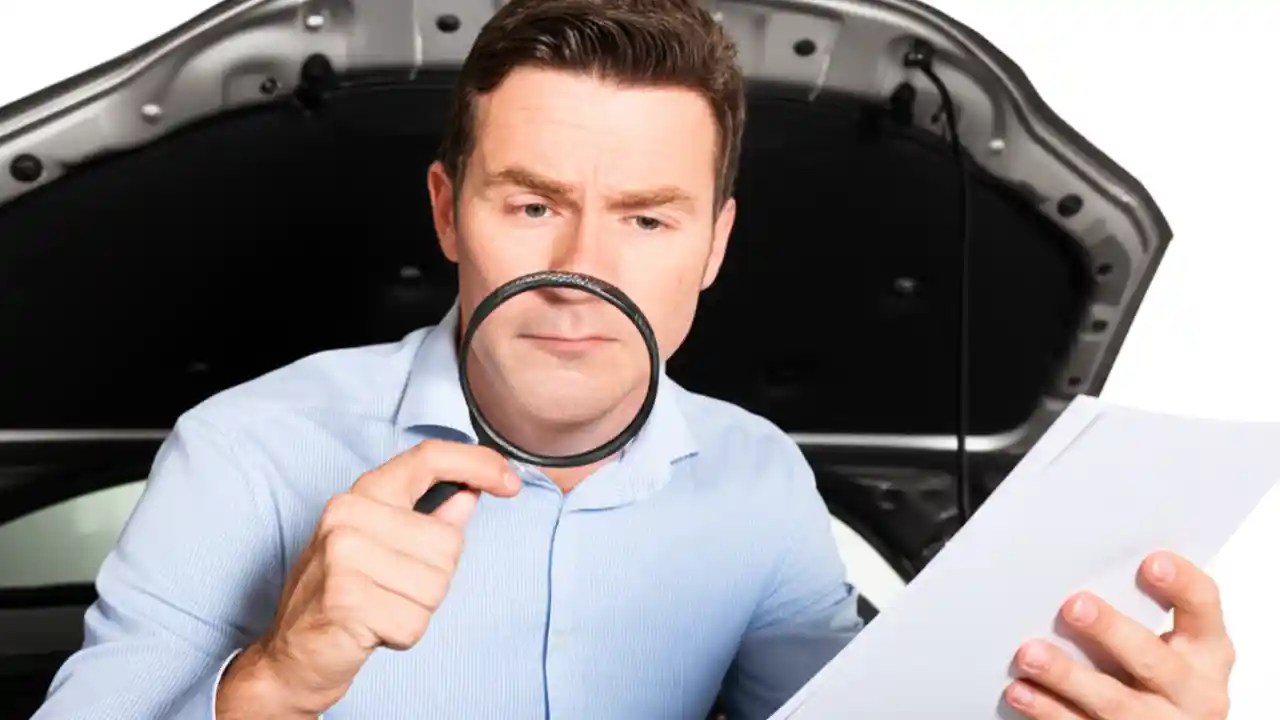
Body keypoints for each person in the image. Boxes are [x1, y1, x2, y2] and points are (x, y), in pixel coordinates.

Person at [34, 1, 1235, 719]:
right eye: (531, 205)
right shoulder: (248, 451)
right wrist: (276, 680)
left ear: (712, 245)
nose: (579, 269)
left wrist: (1080, 700)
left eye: (647, 219)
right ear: (448, 212)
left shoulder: (756, 477)